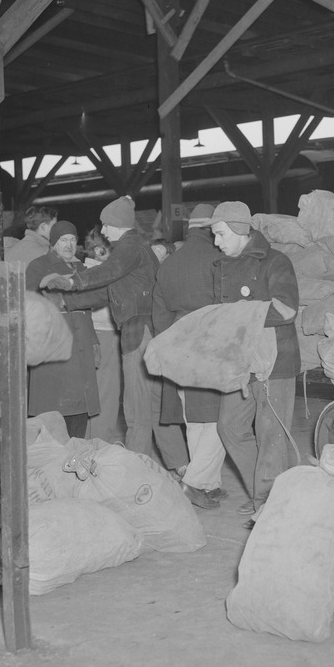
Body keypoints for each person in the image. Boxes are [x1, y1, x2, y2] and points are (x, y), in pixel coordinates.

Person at [48, 196, 189, 472]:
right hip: (149, 330)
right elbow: (107, 291)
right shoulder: (136, 249)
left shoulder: (130, 246)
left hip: (139, 333)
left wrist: (71, 281)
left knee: (135, 406)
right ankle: (183, 467)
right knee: (157, 405)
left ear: (118, 224)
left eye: (105, 224)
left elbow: (107, 272)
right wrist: (67, 302)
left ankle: (134, 472)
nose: (102, 229)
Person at [209, 201, 300, 516]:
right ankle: (268, 489)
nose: (216, 242)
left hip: (275, 362)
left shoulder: (275, 262)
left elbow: (287, 309)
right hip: (241, 362)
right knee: (229, 426)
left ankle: (270, 501)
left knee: (271, 433)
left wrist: (239, 315)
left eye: (220, 234)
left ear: (239, 230)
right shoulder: (223, 266)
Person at [152, 204, 228, 510]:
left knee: (195, 420)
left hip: (180, 347)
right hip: (213, 346)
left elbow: (159, 314)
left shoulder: (169, 264)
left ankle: (209, 484)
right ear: (212, 229)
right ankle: (195, 484)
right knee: (218, 420)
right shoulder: (221, 260)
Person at [24, 220, 100, 439]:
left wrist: (94, 341)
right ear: (53, 243)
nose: (68, 245)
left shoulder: (81, 268)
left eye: (73, 240)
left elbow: (88, 311)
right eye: (63, 240)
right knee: (54, 411)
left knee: (80, 410)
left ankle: (75, 458)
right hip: (54, 351)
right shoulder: (38, 267)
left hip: (82, 346)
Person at [82, 227, 123, 444]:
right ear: (99, 251)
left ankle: (88, 441)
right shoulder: (104, 274)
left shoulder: (83, 272)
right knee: (107, 392)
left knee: (93, 391)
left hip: (89, 334)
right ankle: (101, 443)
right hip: (106, 334)